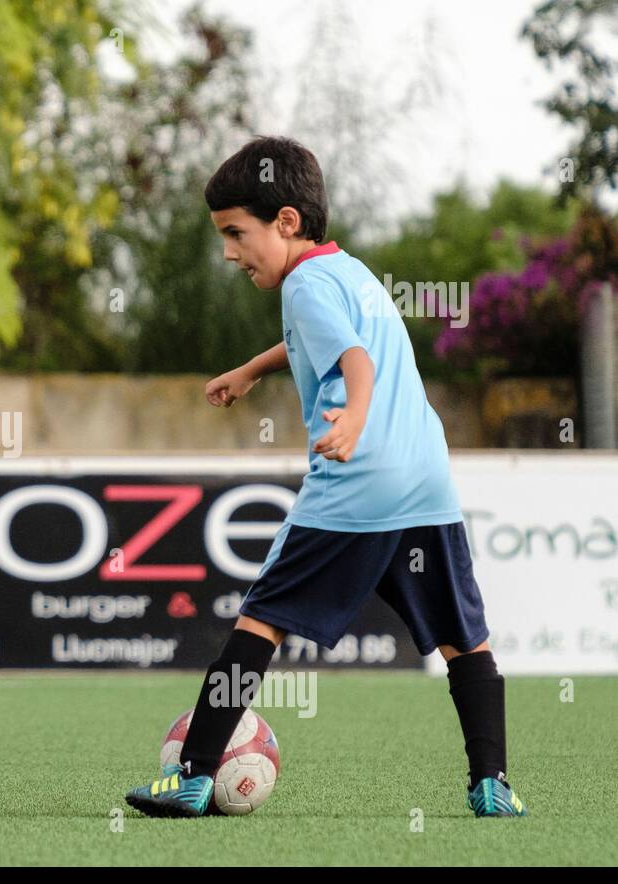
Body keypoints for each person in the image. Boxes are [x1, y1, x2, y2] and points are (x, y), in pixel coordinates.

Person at [125, 137, 526, 819]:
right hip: (425, 479)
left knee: (260, 621)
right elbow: (328, 338)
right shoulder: (350, 271)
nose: (228, 252)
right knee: (465, 637)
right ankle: (492, 785)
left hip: (358, 479)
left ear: (286, 221)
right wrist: (252, 370)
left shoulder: (304, 284)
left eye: (235, 233)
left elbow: (354, 361)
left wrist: (353, 418)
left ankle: (193, 776)